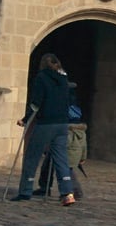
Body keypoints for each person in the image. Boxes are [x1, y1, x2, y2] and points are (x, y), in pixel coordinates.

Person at [11, 52, 76, 205]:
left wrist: (25, 119)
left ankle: (25, 190)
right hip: (62, 123)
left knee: (32, 156)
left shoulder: (42, 78)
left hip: (46, 123)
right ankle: (67, 192)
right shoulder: (63, 78)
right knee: (61, 158)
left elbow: (36, 102)